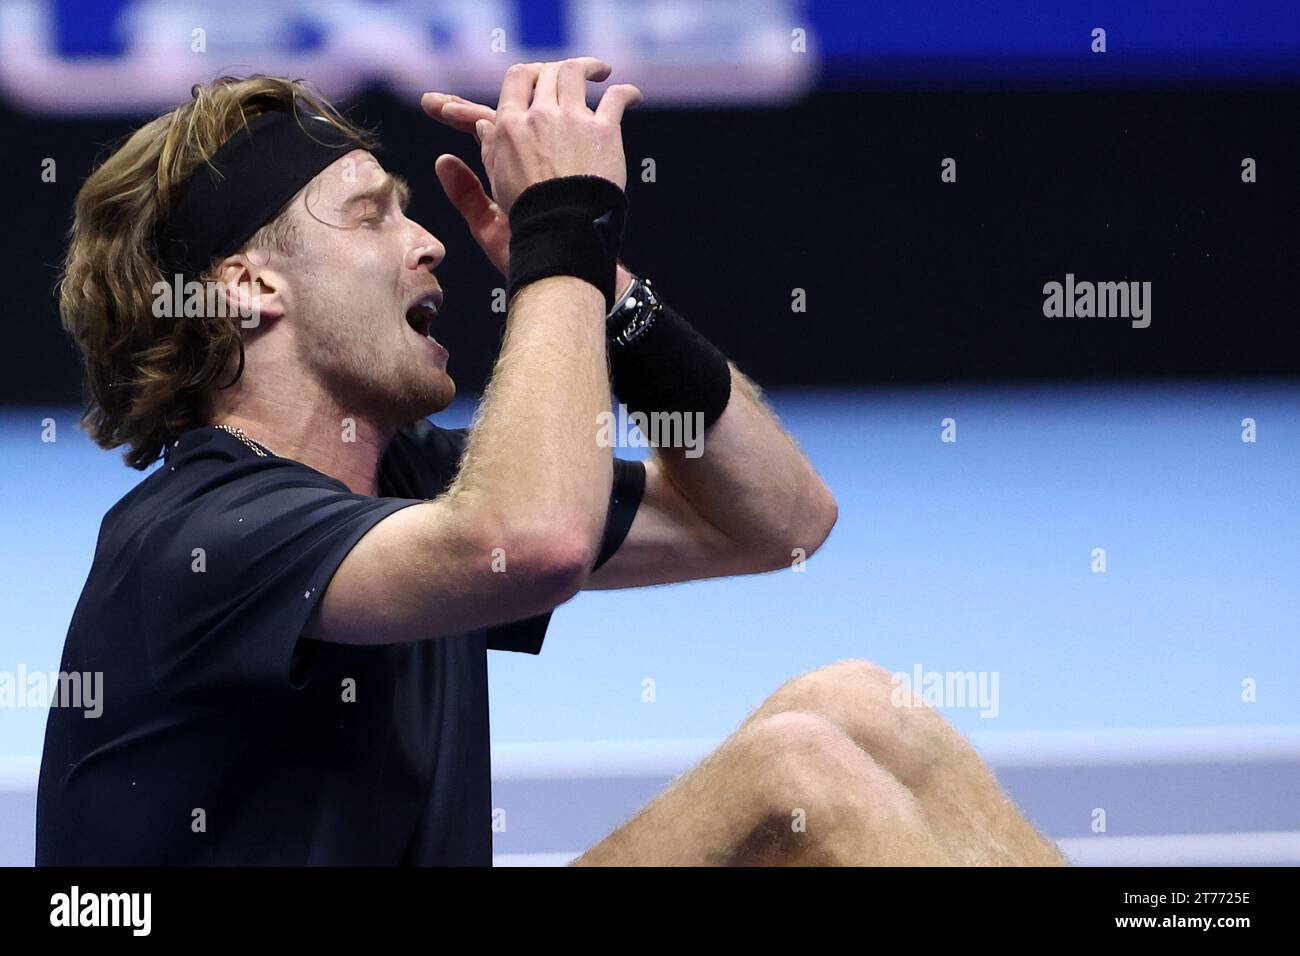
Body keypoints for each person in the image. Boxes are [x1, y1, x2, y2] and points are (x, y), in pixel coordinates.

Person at [39, 58, 1063, 866]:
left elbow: (779, 519)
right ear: (250, 285)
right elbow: (530, 539)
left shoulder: (406, 486)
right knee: (798, 770)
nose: (429, 240)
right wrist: (555, 234)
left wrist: (602, 282)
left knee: (853, 705)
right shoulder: (199, 537)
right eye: (370, 214)